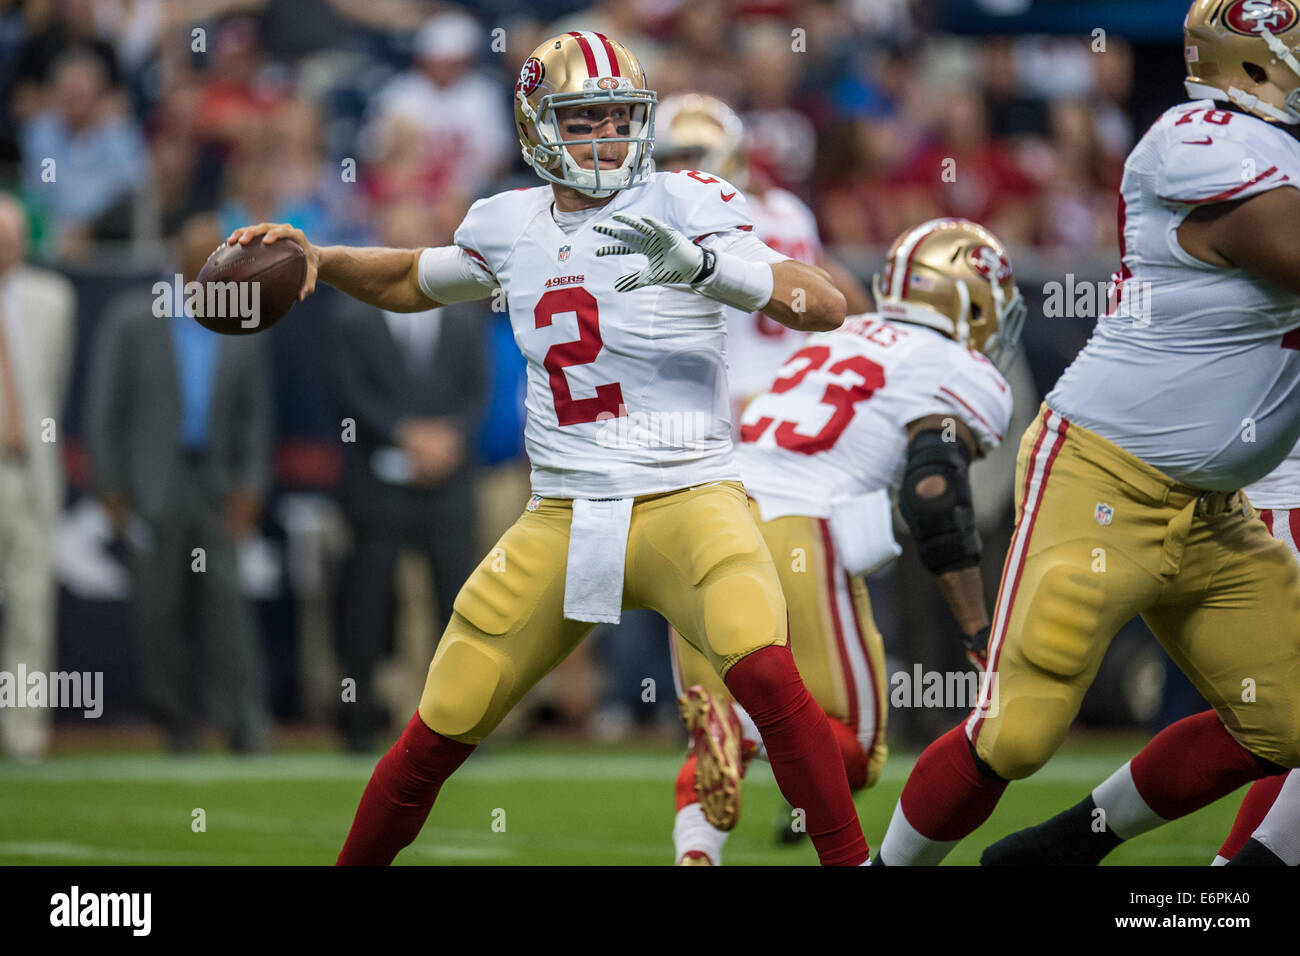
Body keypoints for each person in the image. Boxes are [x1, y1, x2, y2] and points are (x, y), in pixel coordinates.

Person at [229, 30, 870, 866]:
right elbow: (411, 279)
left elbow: (822, 306)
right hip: (563, 516)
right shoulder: (507, 223)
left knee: (767, 677)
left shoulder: (690, 203)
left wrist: (708, 268)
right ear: (536, 129)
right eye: (584, 119)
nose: (606, 136)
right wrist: (321, 255)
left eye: (619, 117)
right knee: (441, 724)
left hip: (691, 498)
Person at [872, 0, 1300, 866]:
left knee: (1288, 719)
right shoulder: (1200, 136)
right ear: (1251, 65)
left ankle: (1059, 849)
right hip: (1103, 476)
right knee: (1018, 734)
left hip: (1212, 506)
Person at [670, 218, 1022, 864]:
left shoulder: (844, 332)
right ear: (968, 299)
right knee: (854, 746)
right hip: (798, 526)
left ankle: (696, 852)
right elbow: (933, 492)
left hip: (700, 515)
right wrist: (978, 626)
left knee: (714, 717)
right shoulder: (960, 367)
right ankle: (745, 735)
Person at [984, 437, 1300, 867]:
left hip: (1238, 503)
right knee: (1275, 720)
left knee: (1278, 722)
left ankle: (1068, 840)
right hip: (1274, 507)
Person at [85, 212, 274, 753]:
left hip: (213, 487)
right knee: (157, 613)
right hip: (151, 487)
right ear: (179, 261)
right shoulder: (133, 319)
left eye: (219, 257)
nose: (213, 265)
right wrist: (111, 489)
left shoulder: (244, 323)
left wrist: (250, 488)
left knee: (227, 610)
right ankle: (177, 725)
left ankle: (243, 723)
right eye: (202, 258)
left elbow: (255, 420)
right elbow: (105, 411)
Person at [328, 199, 487, 752]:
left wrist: (446, 438)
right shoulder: (351, 315)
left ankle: (463, 722)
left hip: (449, 483)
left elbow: (477, 393)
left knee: (461, 605)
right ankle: (357, 722)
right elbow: (349, 394)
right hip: (377, 485)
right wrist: (405, 433)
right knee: (368, 605)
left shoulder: (467, 313)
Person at [0, 194, 75, 761]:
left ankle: (23, 735)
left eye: (12, 234)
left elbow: (55, 390)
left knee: (31, 607)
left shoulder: (52, 298)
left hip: (31, 472)